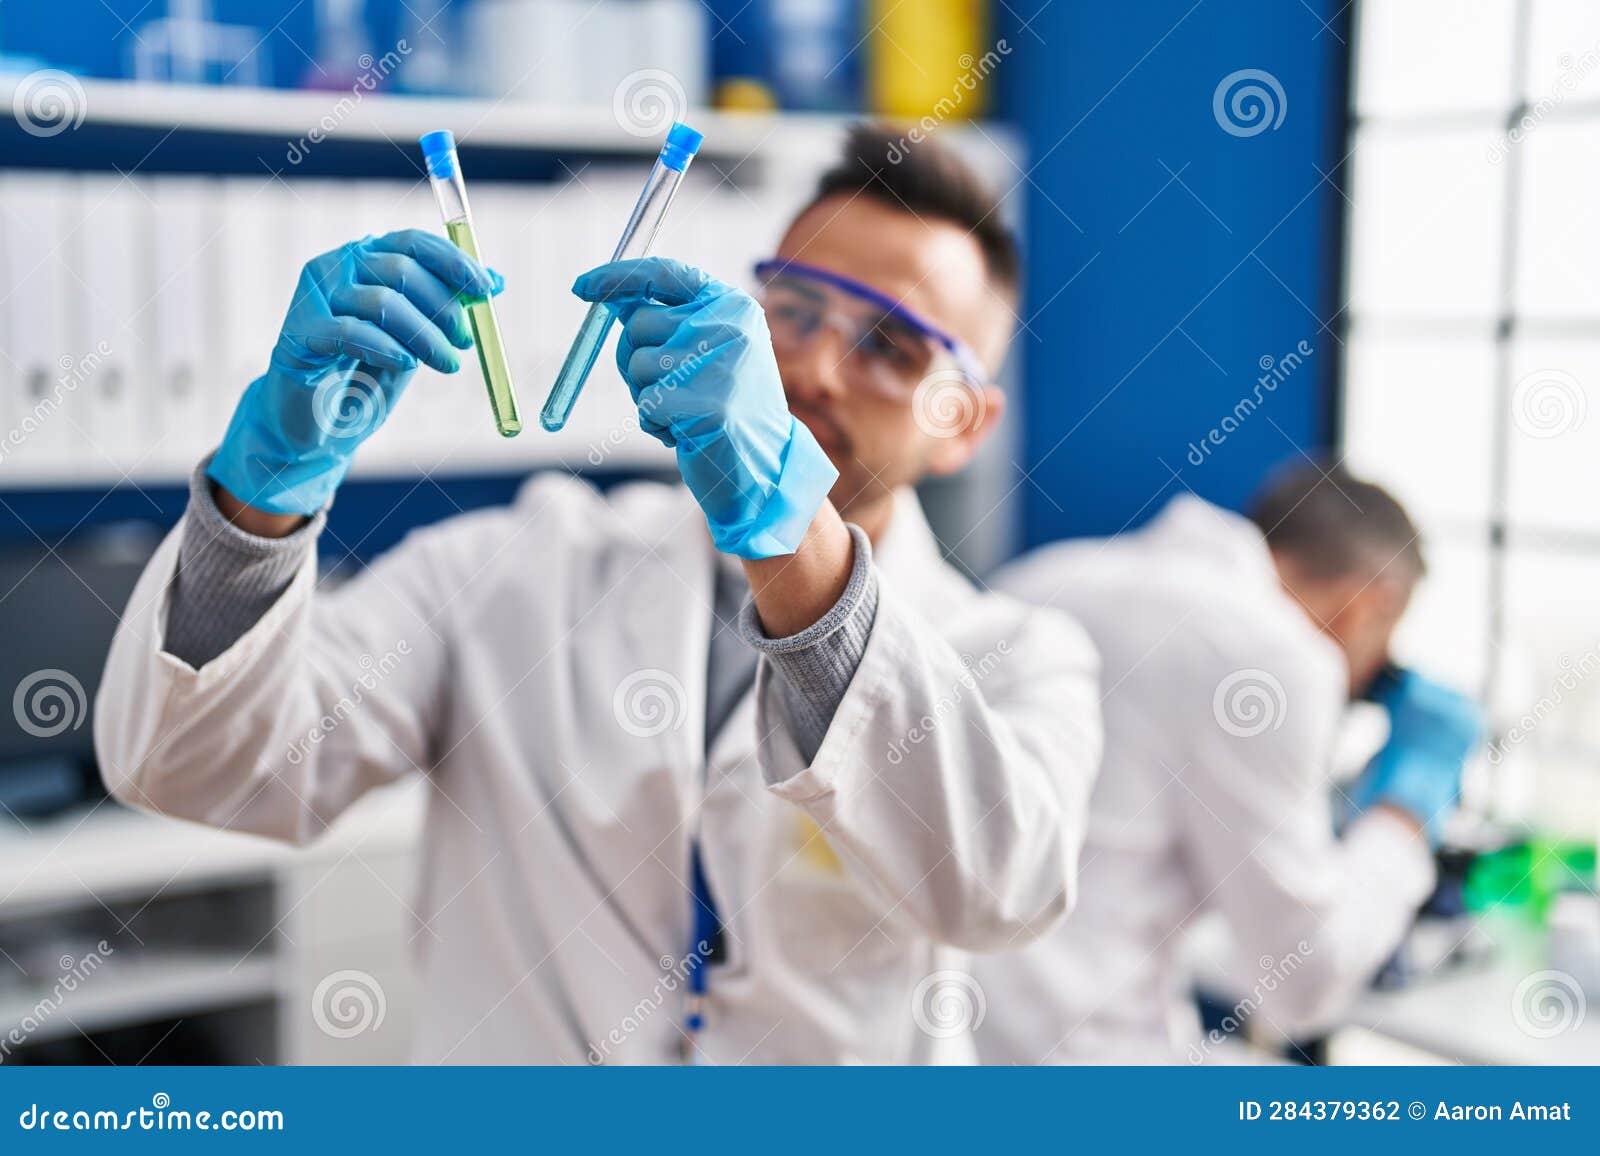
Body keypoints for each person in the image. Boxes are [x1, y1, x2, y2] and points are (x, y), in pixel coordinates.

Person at [93, 126, 1102, 1064]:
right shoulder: (514, 567)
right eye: (795, 308)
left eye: (891, 346)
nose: (816, 367)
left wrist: (790, 531)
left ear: (965, 423)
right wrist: (263, 488)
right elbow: (201, 769)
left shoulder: (1020, 655)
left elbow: (998, 892)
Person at [971, 464, 1480, 1063]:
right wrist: (1406, 811)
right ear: (1369, 606)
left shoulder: (1041, 576)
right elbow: (1303, 983)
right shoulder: (1277, 655)